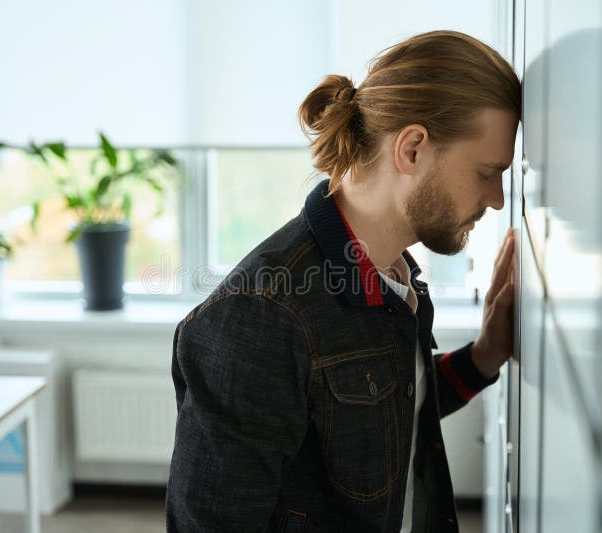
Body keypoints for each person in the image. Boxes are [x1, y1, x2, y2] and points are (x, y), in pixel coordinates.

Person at [166, 29, 520, 533]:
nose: (497, 199)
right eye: (487, 171)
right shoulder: (258, 316)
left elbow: (385, 413)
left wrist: (485, 354)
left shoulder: (395, 276)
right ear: (413, 149)